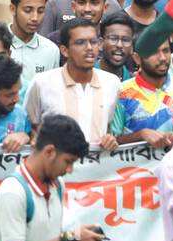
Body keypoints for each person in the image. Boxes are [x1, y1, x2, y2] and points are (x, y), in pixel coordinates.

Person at [0, 113, 104, 241]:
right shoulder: (14, 191)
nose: (70, 170)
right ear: (49, 151)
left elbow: (46, 238)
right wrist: (71, 239)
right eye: (68, 161)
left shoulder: (57, 185)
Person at [23, 18, 121, 148]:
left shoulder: (112, 83)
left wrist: (109, 140)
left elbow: (107, 126)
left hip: (97, 166)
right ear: (65, 50)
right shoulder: (42, 82)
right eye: (80, 43)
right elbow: (30, 126)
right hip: (54, 166)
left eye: (93, 42)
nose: (89, 48)